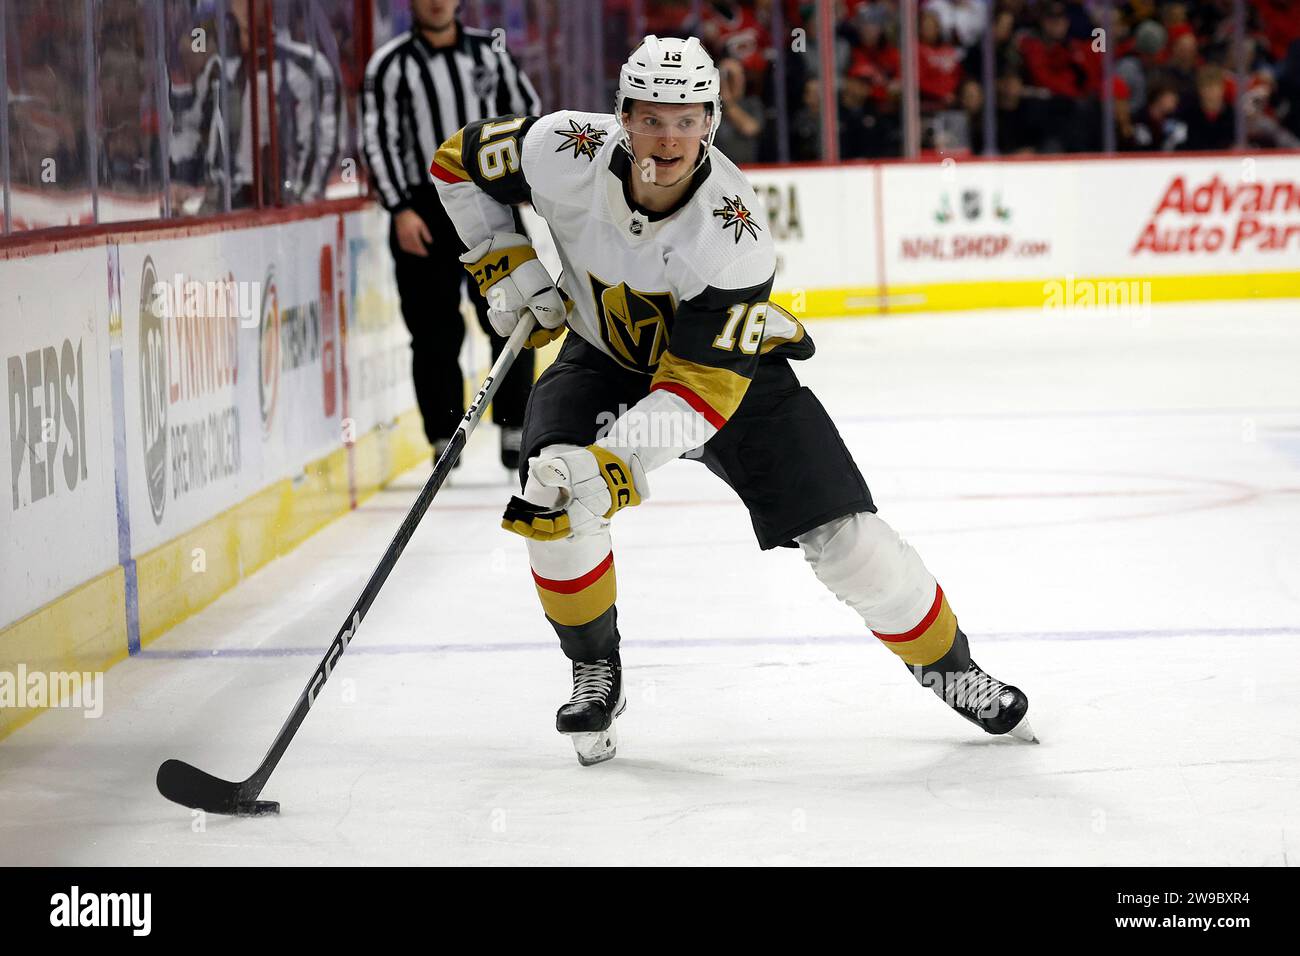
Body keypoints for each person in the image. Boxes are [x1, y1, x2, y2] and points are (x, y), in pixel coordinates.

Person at [431, 36, 1035, 765]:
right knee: (552, 493)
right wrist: (505, 264)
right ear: (621, 115)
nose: (668, 137)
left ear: (712, 124)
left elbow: (699, 392)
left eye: (687, 120)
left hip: (727, 377)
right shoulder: (564, 145)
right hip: (603, 353)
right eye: (652, 117)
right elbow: (456, 162)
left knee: (848, 541)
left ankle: (951, 667)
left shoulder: (733, 231)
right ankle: (595, 668)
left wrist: (615, 462)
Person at [362, 0, 540, 468]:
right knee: (433, 325)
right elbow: (379, 140)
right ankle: (445, 434)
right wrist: (399, 208)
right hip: (424, 208)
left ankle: (516, 424)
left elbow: (526, 116)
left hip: (490, 198)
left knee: (512, 308)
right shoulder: (390, 65)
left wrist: (527, 179)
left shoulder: (491, 53)